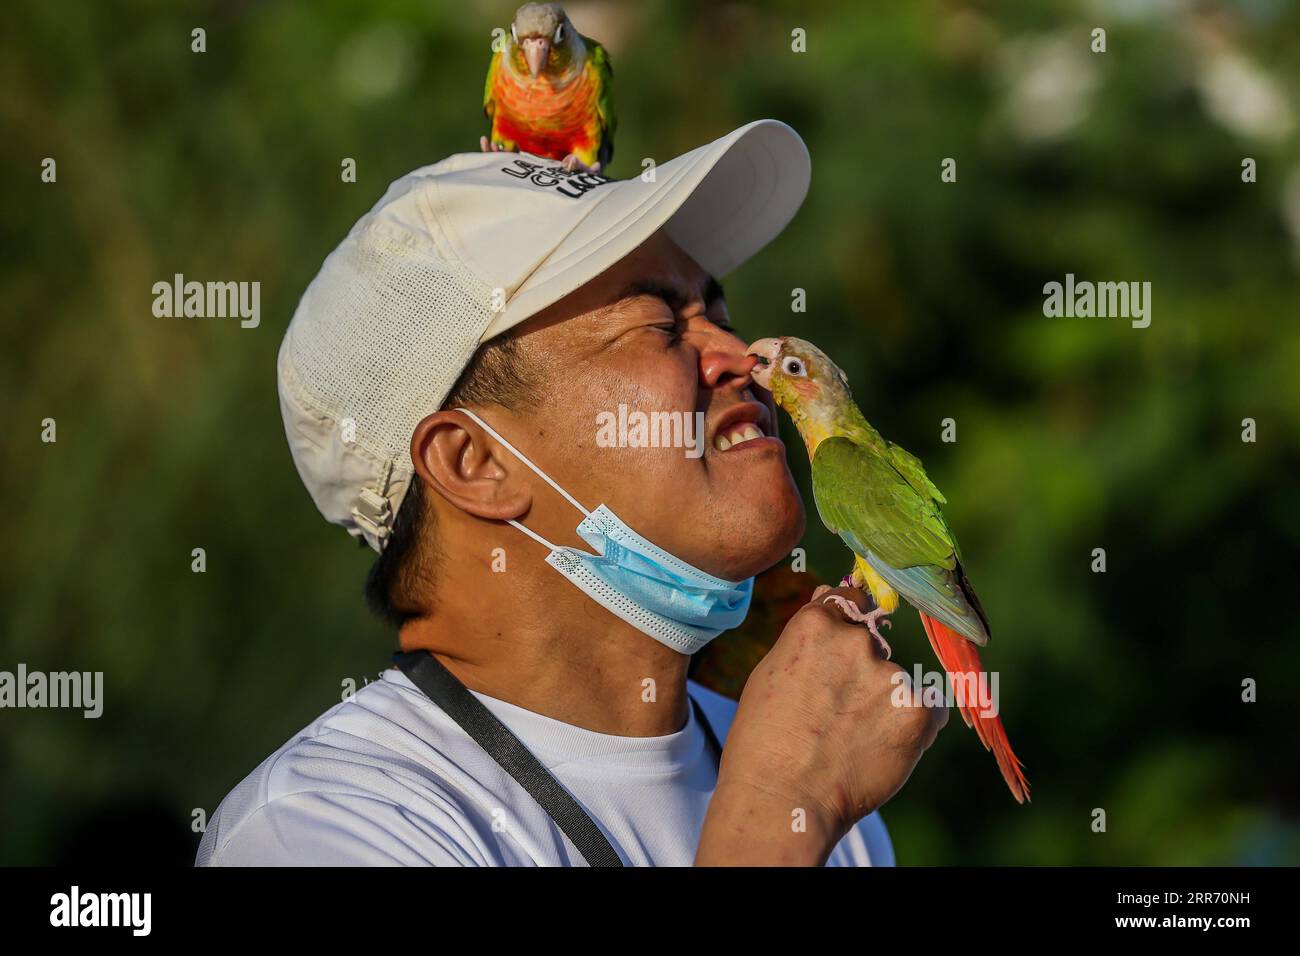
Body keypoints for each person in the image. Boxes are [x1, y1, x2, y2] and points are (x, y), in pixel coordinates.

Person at [196, 120, 947, 867]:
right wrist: (780, 811)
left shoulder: (824, 781)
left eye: (716, 314)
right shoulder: (326, 828)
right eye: (658, 323)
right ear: (474, 463)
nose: (736, 357)